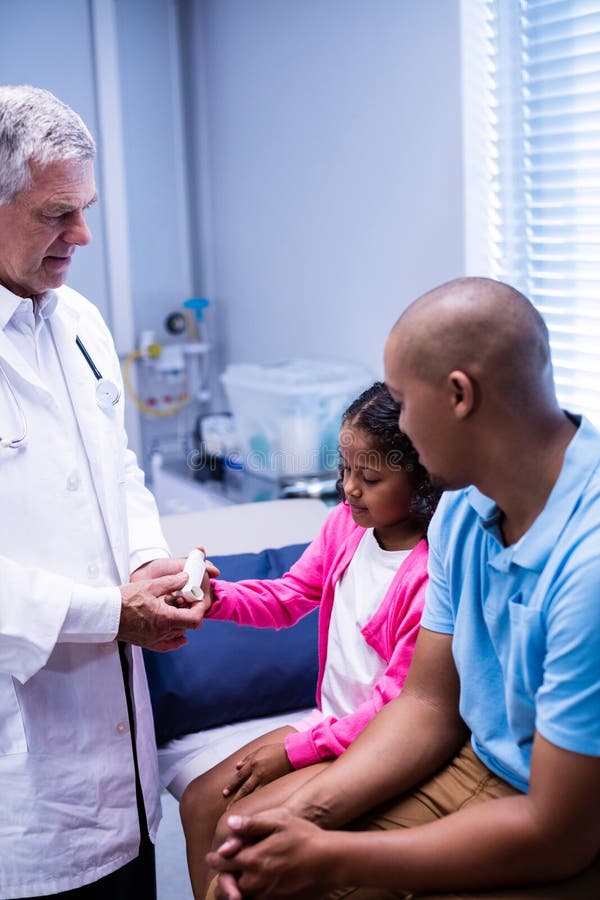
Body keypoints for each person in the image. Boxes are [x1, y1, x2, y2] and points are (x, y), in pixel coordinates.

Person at [206, 277, 600, 900]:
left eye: (402, 401)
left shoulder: (587, 566)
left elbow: (559, 833)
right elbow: (428, 706)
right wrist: (301, 817)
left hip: (559, 818)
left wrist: (333, 858)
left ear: (459, 395)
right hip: (477, 762)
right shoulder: (463, 510)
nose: (401, 429)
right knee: (252, 871)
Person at [0, 85, 209, 898]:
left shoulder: (78, 319)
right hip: (23, 792)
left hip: (122, 778)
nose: (82, 235)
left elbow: (116, 469)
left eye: (84, 209)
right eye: (57, 214)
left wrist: (149, 563)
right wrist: (106, 614)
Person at [179, 381, 440, 898]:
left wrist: (295, 751)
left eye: (370, 477)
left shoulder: (428, 576)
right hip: (330, 725)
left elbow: (395, 705)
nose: (350, 489)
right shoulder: (346, 526)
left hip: (374, 747)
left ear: (421, 480)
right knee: (200, 801)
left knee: (236, 830)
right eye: (345, 470)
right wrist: (216, 597)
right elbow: (290, 595)